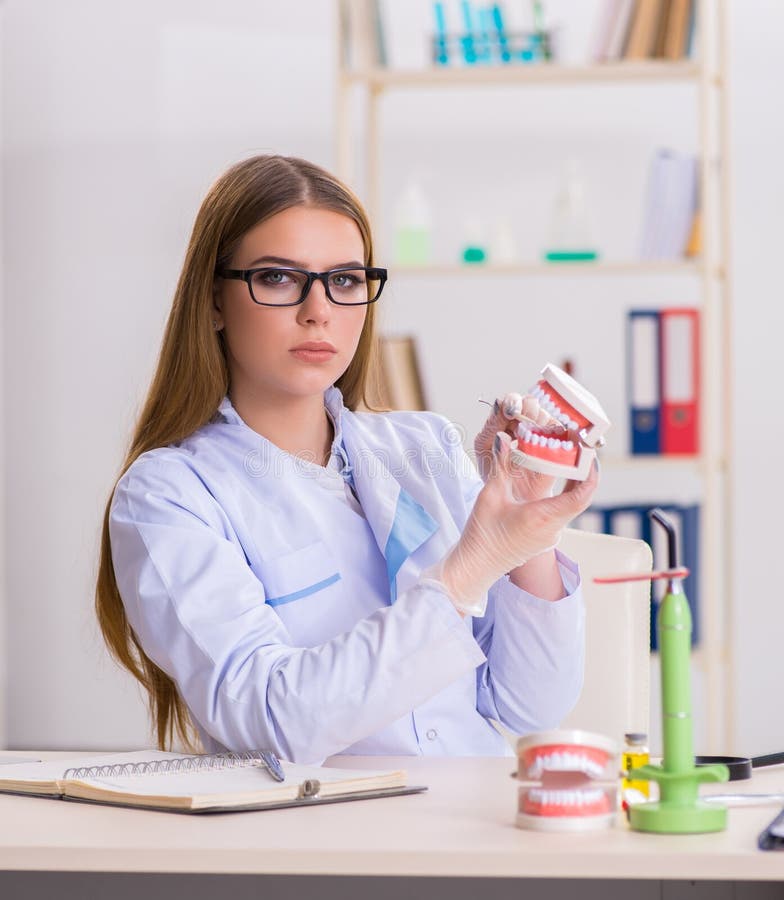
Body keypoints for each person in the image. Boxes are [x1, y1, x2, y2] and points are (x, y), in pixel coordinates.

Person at [96, 154, 598, 764]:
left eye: (345, 280)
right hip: (325, 819)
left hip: (475, 805)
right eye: (278, 278)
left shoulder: (428, 448)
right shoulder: (169, 495)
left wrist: (528, 532)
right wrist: (468, 571)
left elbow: (531, 704)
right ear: (214, 301)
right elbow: (270, 720)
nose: (319, 311)